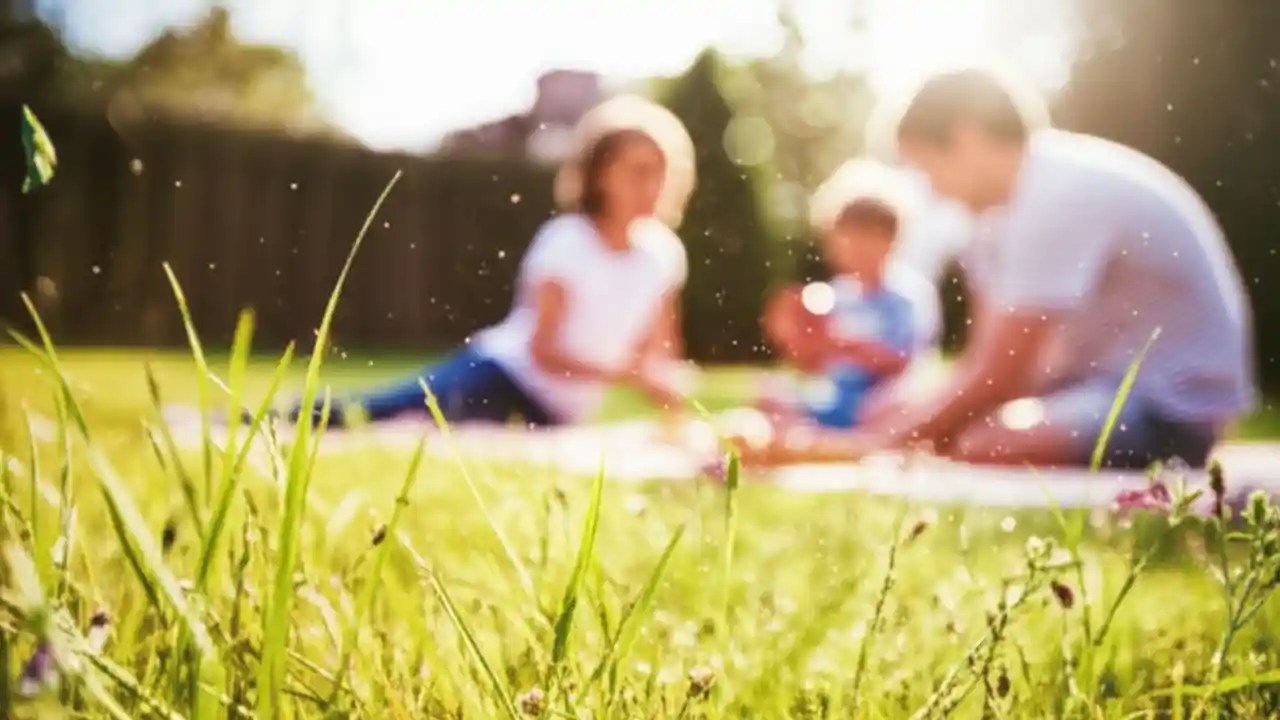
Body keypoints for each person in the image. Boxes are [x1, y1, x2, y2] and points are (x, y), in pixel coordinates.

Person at [788, 67, 1256, 469]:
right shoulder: (1001, 216)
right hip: (1093, 387)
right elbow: (985, 365)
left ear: (966, 138)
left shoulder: (1054, 194)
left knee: (983, 442)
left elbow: (1003, 376)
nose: (933, 191)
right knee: (903, 410)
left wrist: (874, 444)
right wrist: (898, 417)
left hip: (1171, 409)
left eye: (930, 170)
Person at [288, 96, 697, 429]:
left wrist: (671, 398)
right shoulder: (566, 242)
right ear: (599, 175)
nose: (652, 185)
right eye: (638, 171)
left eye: (660, 171)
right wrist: (629, 375)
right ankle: (260, 419)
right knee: (377, 413)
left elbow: (660, 352)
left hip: (556, 416)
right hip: (499, 377)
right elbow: (544, 352)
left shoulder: (664, 254)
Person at [730, 161, 940, 463]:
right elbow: (811, 366)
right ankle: (831, 443)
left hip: (880, 399)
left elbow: (903, 361)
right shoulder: (833, 295)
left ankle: (840, 443)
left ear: (892, 241)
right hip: (836, 399)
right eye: (848, 240)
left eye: (868, 239)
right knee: (770, 392)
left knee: (905, 405)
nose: (856, 249)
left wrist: (847, 347)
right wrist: (794, 337)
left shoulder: (907, 295)